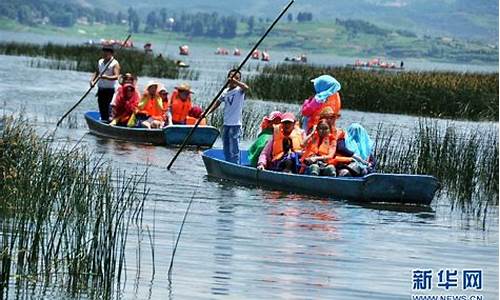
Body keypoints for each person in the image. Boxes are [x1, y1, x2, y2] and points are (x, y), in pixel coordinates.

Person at [207, 69, 249, 164]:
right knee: (226, 147)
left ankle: (236, 164)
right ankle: (228, 163)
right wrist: (207, 113)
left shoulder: (239, 91)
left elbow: (246, 88)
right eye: (232, 77)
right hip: (226, 123)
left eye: (237, 78)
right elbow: (217, 103)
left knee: (234, 148)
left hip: (235, 124)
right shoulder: (225, 91)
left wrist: (236, 82)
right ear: (228, 78)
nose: (234, 79)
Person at [90, 46, 121, 122]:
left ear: (111, 53)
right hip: (101, 88)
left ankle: (109, 122)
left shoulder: (114, 63)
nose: (105, 53)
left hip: (110, 90)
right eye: (104, 52)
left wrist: (106, 77)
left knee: (109, 108)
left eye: (107, 52)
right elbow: (96, 72)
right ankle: (104, 121)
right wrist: (92, 81)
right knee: (102, 107)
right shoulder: (100, 61)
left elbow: (117, 76)